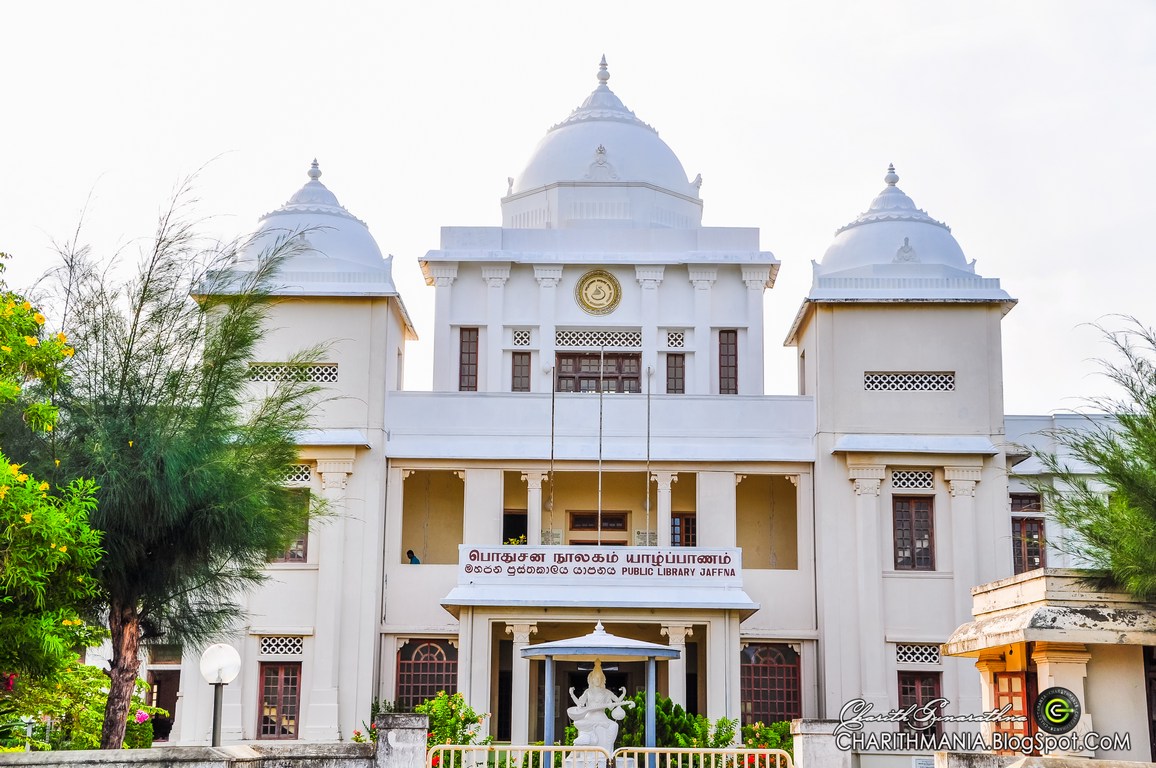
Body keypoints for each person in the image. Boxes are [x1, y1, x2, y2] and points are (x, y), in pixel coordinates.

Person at [566, 660, 634, 753]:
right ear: (592, 679)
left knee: (614, 726)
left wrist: (624, 693)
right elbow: (579, 703)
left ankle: (608, 752)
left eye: (599, 678)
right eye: (595, 678)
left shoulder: (606, 692)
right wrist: (572, 694)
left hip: (602, 717)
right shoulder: (588, 691)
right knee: (578, 724)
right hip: (589, 717)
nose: (597, 680)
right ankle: (587, 739)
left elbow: (617, 701)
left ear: (602, 679)